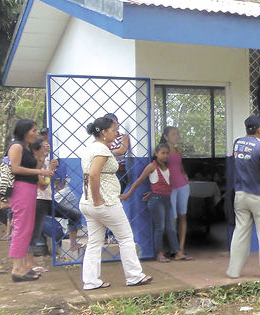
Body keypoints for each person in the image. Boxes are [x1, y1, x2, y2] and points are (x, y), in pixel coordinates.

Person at [80, 116, 152, 289]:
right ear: (104, 132)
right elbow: (94, 175)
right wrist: (98, 199)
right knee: (126, 238)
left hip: (88, 203)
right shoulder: (102, 150)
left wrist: (94, 199)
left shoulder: (90, 148)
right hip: (105, 203)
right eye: (114, 130)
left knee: (95, 243)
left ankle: (91, 281)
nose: (117, 133)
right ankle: (134, 276)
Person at [227, 115, 260, 280]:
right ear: (259, 130)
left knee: (240, 233)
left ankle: (233, 271)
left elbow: (251, 141)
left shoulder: (238, 143)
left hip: (241, 194)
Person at [121, 143, 190, 262]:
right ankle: (159, 254)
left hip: (167, 200)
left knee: (171, 228)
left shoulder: (168, 167)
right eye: (162, 153)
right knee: (160, 228)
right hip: (157, 201)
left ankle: (177, 252)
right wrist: (128, 194)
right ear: (156, 154)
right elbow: (138, 181)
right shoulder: (152, 166)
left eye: (167, 153)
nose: (165, 155)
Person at [7, 120, 56, 281]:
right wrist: (38, 170)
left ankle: (22, 267)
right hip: (20, 188)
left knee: (27, 228)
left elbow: (36, 168)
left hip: (29, 188)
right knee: (21, 228)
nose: (37, 134)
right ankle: (16, 268)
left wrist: (42, 157)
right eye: (34, 131)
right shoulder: (17, 147)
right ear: (25, 131)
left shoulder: (27, 148)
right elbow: (15, 168)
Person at [159, 127, 190, 255]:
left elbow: (179, 165)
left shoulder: (178, 150)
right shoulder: (163, 151)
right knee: (173, 219)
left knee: (182, 216)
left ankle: (180, 249)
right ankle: (174, 248)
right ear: (166, 137)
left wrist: (184, 174)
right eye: (174, 134)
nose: (177, 136)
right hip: (170, 188)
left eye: (178, 133)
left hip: (183, 186)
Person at [29, 138, 53, 256]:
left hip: (47, 197)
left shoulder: (47, 162)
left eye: (48, 146)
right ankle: (38, 245)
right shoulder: (34, 163)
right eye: (44, 146)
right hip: (38, 198)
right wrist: (50, 172)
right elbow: (43, 185)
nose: (47, 147)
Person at [103, 112, 131, 190]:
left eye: (115, 122)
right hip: (105, 171)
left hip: (119, 170)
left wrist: (107, 153)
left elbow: (122, 150)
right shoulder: (102, 139)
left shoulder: (123, 137)